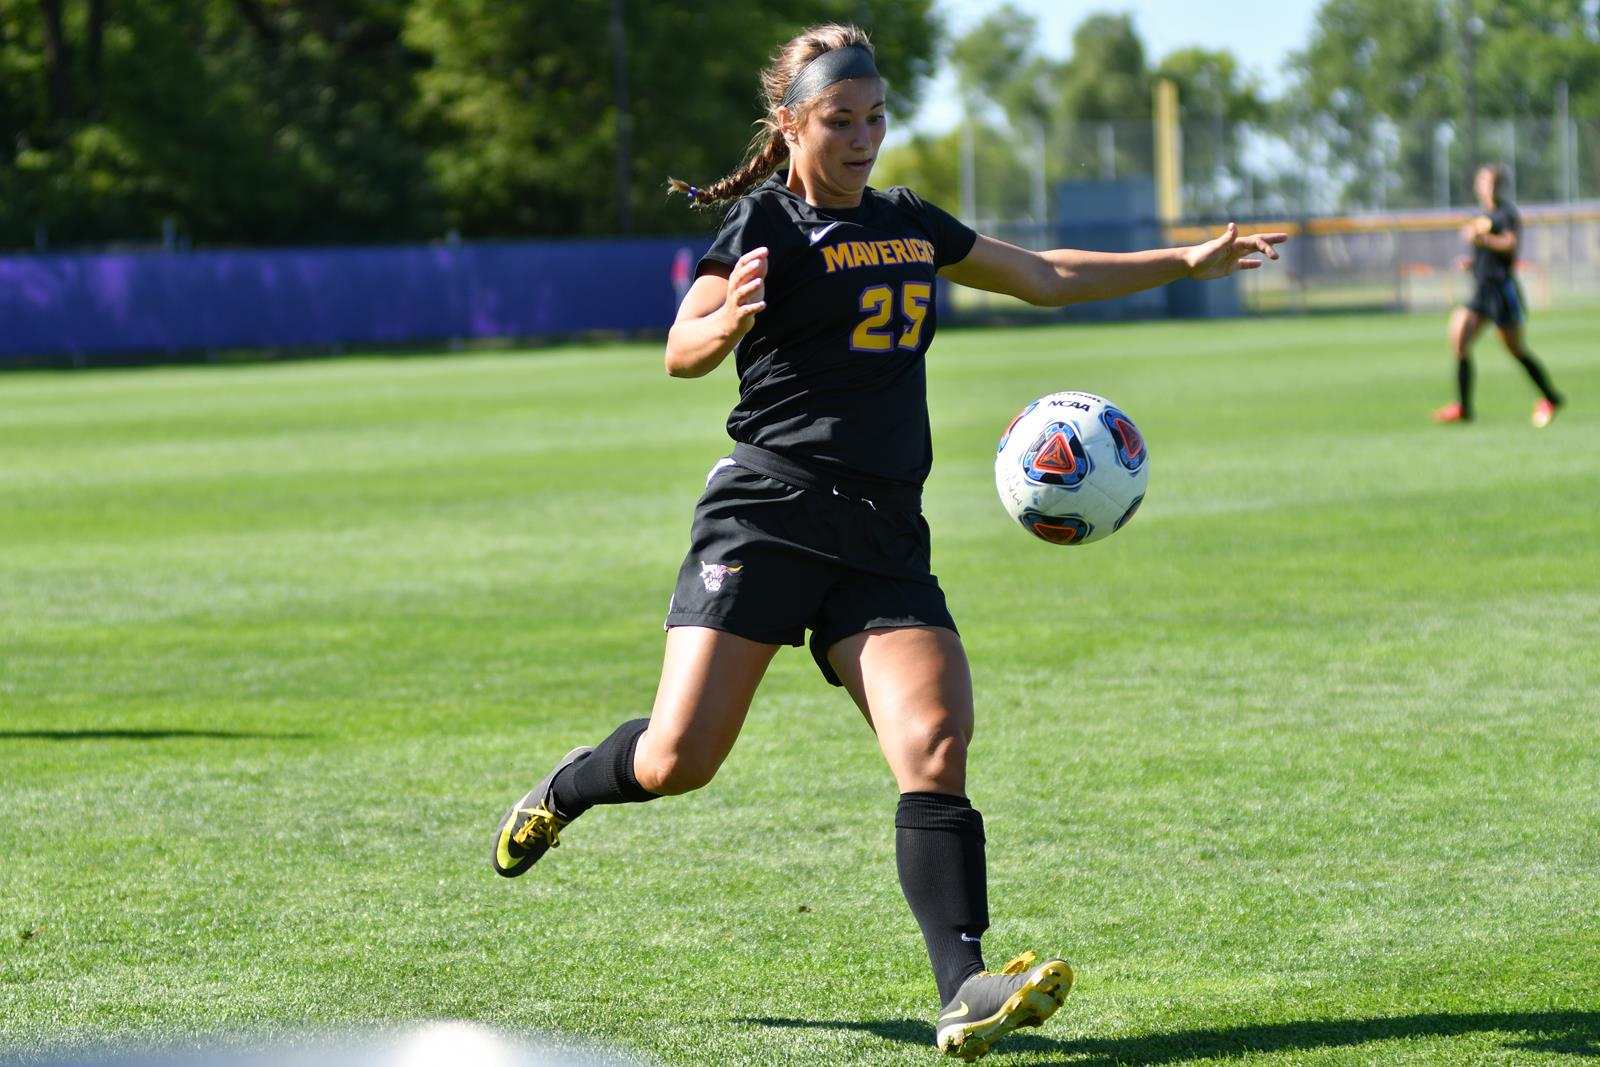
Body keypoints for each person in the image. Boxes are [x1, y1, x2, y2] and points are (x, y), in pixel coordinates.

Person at [491, 24, 1285, 1061]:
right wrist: (721, 326)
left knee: (935, 746)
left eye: (874, 118)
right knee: (679, 758)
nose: (863, 138)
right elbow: (680, 349)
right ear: (788, 127)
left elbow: (1042, 273)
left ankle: (963, 985)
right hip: (766, 515)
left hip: (880, 533)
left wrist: (1187, 257)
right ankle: (565, 786)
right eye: (839, 121)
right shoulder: (760, 223)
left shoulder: (908, 223)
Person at [1433, 163, 1564, 427]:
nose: (1488, 188)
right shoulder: (1481, 214)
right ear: (1477, 186)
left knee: (1515, 351)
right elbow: (1484, 250)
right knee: (1459, 340)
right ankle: (1464, 407)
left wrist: (1483, 240)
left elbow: (1510, 245)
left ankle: (1551, 397)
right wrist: (1472, 263)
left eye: (1493, 183)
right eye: (1484, 183)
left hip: (1501, 292)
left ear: (1500, 186)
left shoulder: (1506, 214)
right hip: (1480, 291)